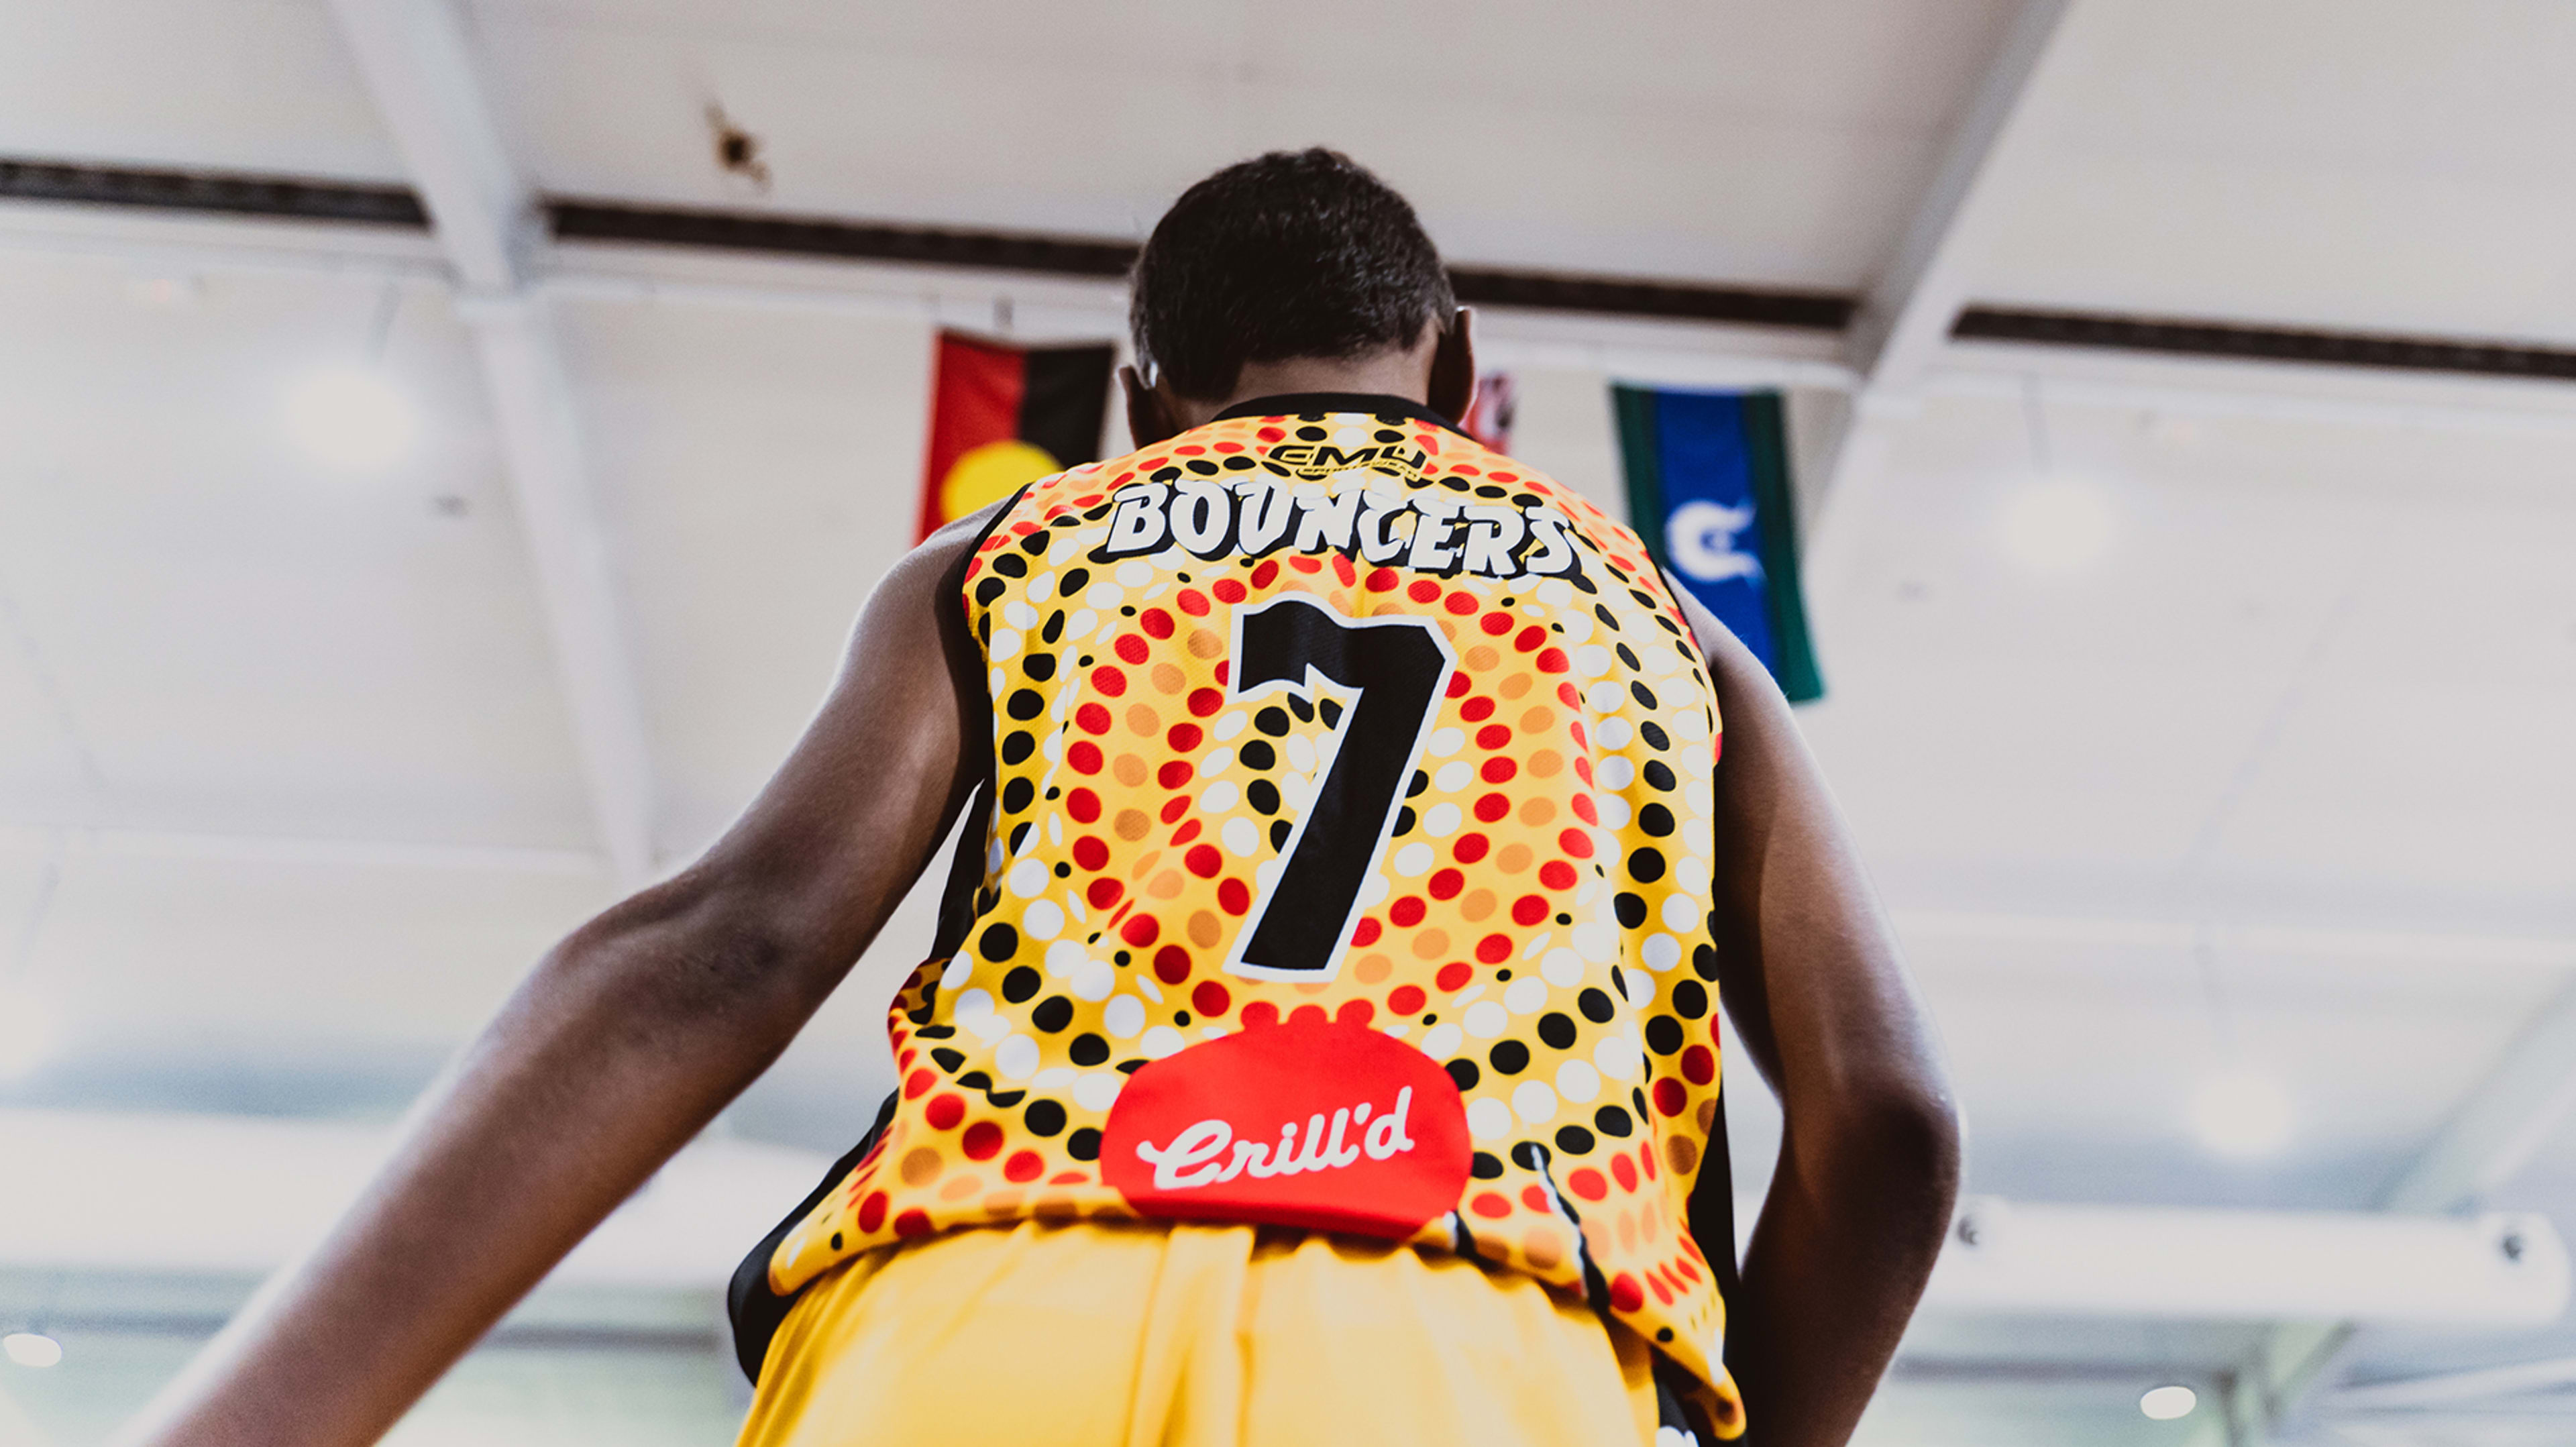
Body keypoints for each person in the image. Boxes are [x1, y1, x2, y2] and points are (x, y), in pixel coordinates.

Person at [126, 149, 1957, 1447]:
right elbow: (1889, 1124)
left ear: (1146, 402)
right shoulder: (1666, 618)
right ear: (1462, 372)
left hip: (976, 1308)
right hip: (1481, 1353)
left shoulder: (1016, 549)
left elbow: (722, 950)